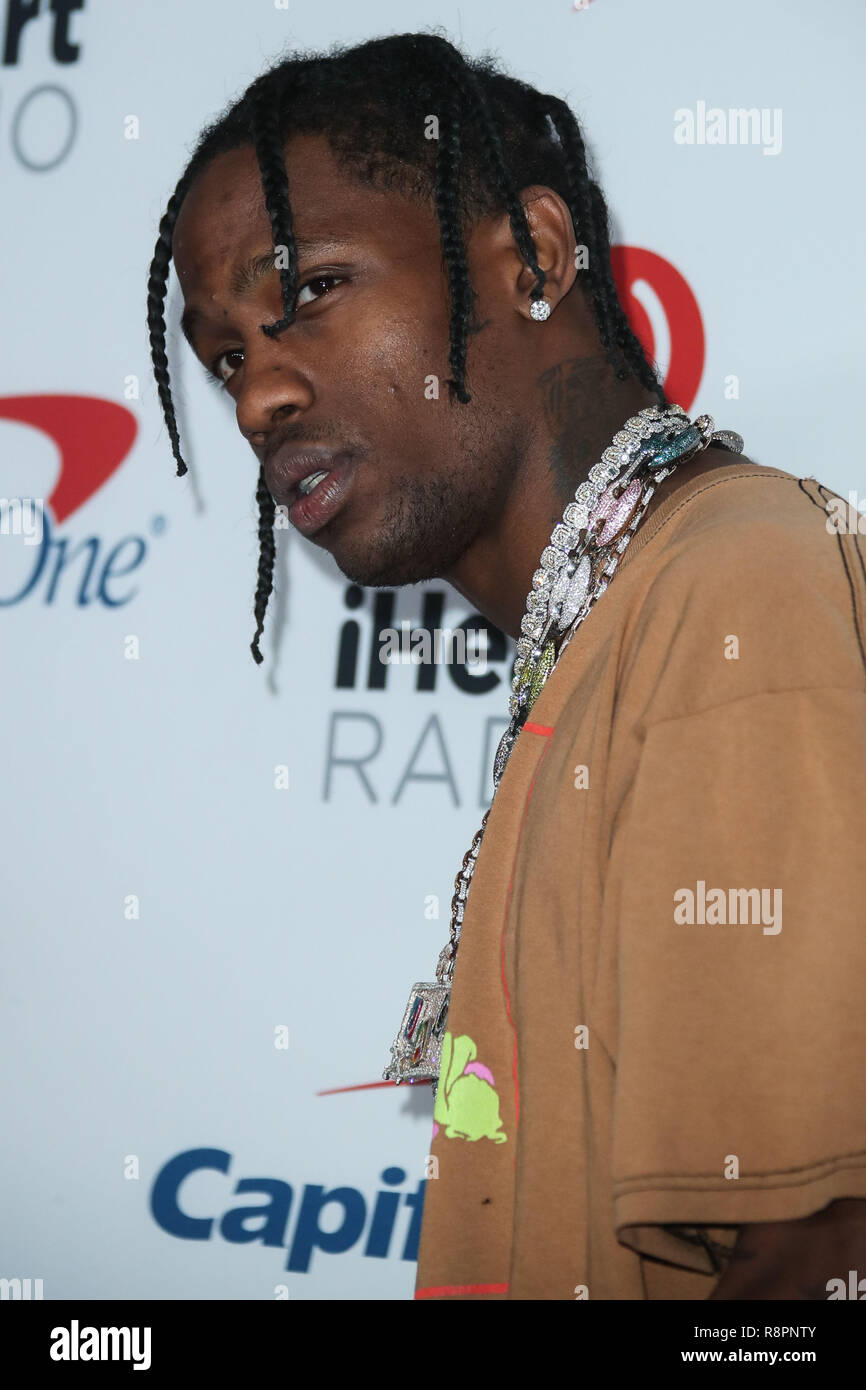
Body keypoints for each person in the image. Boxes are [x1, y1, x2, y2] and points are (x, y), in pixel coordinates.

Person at [147, 32, 866, 1299]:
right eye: (226, 357)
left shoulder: (732, 588)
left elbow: (819, 1257)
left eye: (310, 289)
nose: (256, 400)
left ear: (532, 254)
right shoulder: (618, 620)